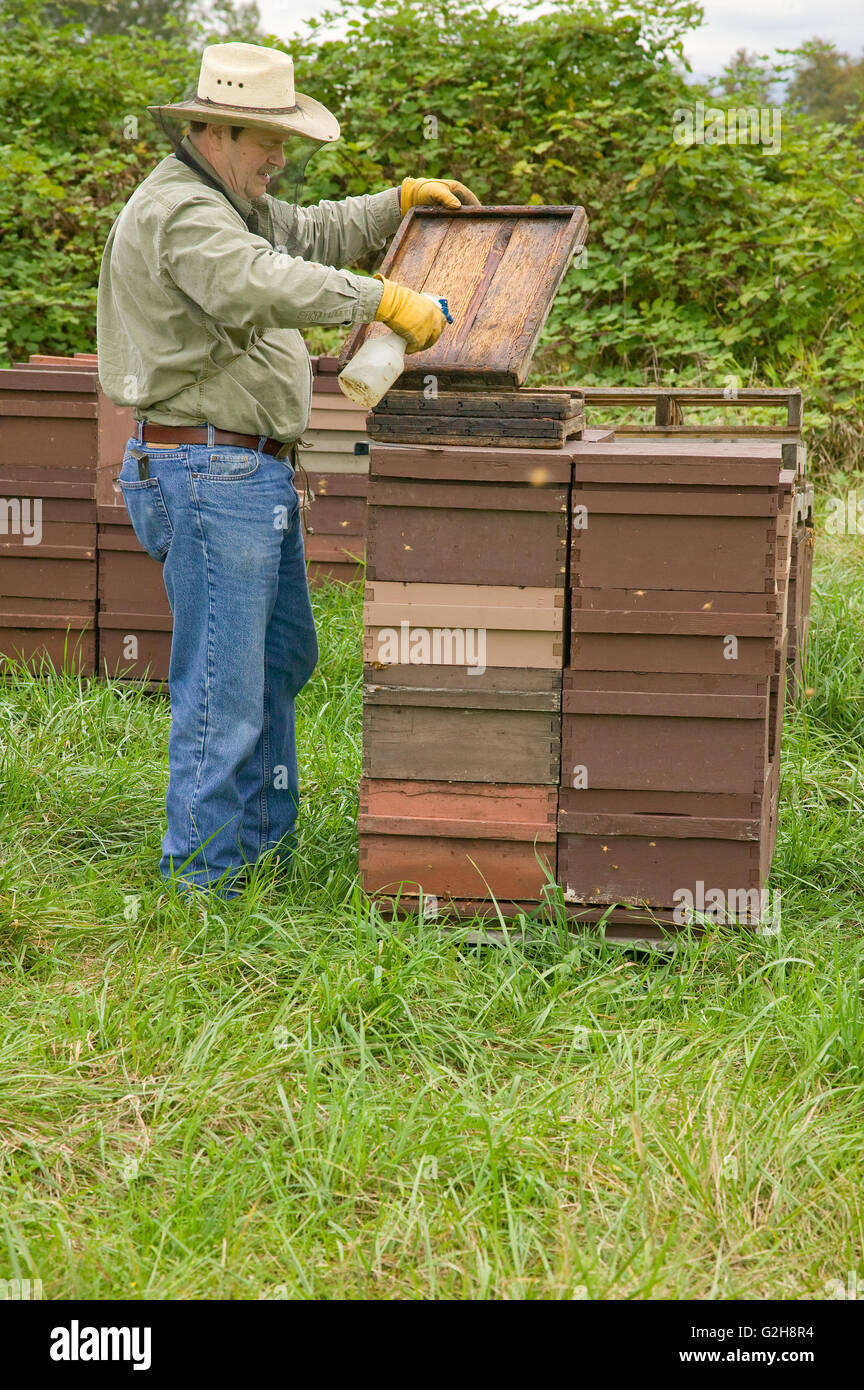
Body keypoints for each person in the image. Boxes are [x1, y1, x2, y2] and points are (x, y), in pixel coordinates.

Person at [97, 41, 479, 897]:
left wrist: (397, 203)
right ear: (218, 129)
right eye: (269, 140)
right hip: (207, 472)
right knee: (222, 690)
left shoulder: (230, 199)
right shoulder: (184, 215)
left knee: (278, 661)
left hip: (244, 473)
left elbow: (307, 233)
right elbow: (258, 282)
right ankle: (202, 886)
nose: (281, 157)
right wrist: (379, 299)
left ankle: (261, 851)